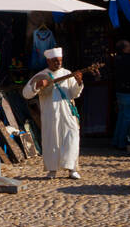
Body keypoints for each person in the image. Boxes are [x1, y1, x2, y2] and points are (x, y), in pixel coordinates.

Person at [23, 47, 84, 180]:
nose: (58, 63)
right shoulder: (41, 75)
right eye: (55, 61)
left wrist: (79, 82)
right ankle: (52, 169)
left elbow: (75, 93)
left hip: (68, 113)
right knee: (52, 141)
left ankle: (72, 169)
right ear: (49, 61)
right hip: (50, 115)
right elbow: (26, 93)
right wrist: (37, 85)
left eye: (60, 60)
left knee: (71, 139)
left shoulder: (68, 73)